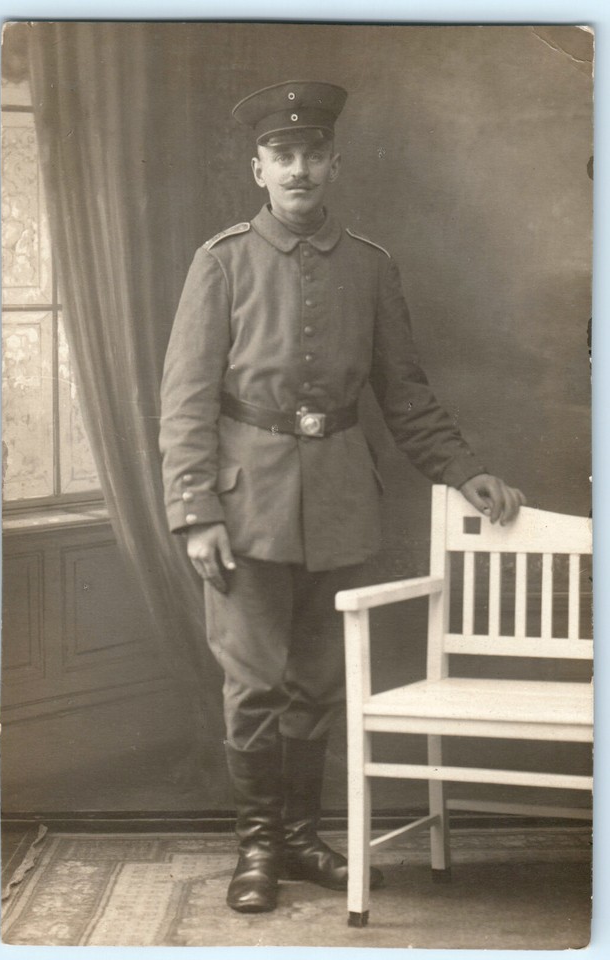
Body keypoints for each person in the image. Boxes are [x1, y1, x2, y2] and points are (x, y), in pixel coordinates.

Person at [159, 80, 525, 914]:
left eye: (312, 154)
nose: (298, 169)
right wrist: (195, 512)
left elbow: (404, 394)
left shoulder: (369, 265)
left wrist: (461, 468)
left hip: (339, 505)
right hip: (244, 510)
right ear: (257, 169)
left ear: (334, 164)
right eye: (281, 155)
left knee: (318, 684)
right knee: (253, 684)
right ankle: (257, 845)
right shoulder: (220, 262)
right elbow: (183, 402)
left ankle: (298, 836)